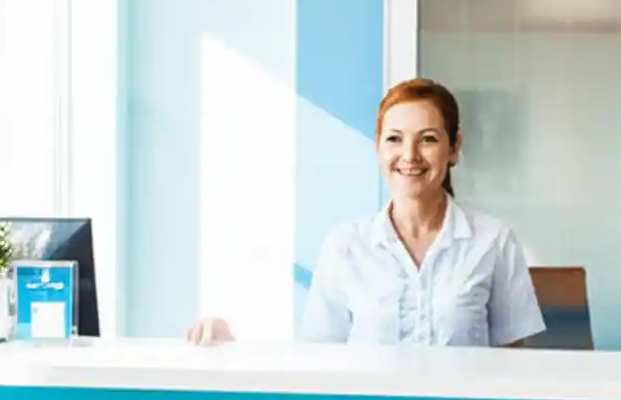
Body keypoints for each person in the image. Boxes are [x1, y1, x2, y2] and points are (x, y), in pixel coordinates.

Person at [187, 78, 546, 347]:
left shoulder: (493, 241)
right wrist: (228, 347)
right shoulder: (345, 245)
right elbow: (319, 360)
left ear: (454, 147)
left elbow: (513, 367)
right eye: (394, 139)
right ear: (378, 147)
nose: (410, 155)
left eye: (428, 139)